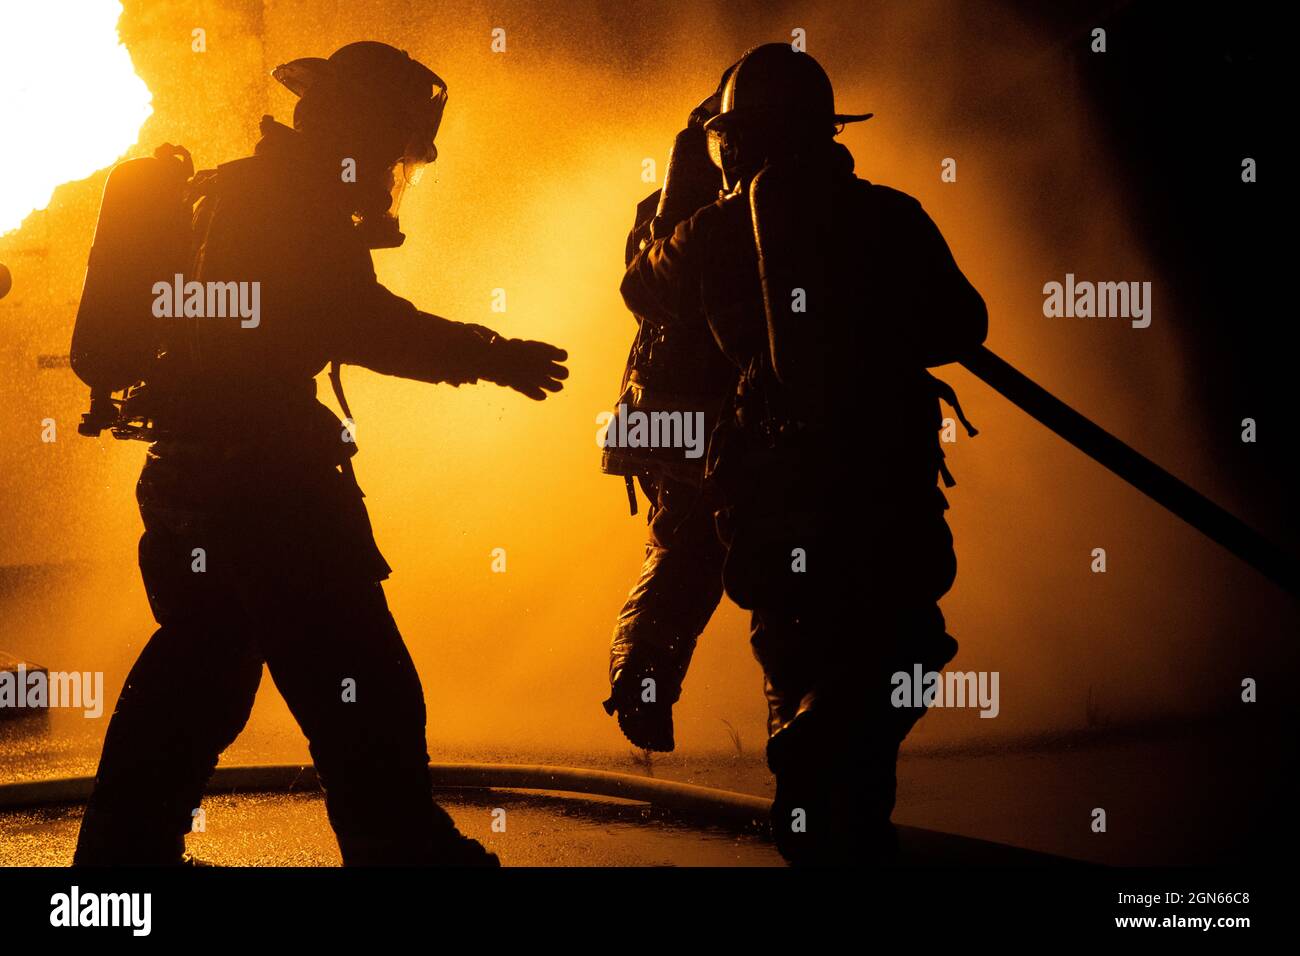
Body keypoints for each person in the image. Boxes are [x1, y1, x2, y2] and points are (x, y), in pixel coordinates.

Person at [73, 41, 567, 866]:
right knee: (363, 686)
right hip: (273, 497)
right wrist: (488, 353)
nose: (391, 174)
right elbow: (360, 321)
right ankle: (403, 852)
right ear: (356, 134)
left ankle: (119, 869)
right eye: (390, 150)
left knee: (196, 677)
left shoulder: (228, 190)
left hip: (187, 485)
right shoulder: (290, 208)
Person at [620, 43, 987, 864]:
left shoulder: (708, 233)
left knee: (797, 653)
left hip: (777, 489)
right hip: (886, 483)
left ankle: (811, 757)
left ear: (735, 141)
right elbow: (965, 325)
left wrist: (685, 181)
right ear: (827, 131)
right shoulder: (893, 216)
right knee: (900, 645)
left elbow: (643, 290)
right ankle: (834, 754)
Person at [601, 67, 739, 753]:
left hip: (659, 417)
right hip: (696, 419)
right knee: (698, 547)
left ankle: (642, 677)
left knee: (687, 548)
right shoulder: (714, 224)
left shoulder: (664, 218)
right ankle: (642, 679)